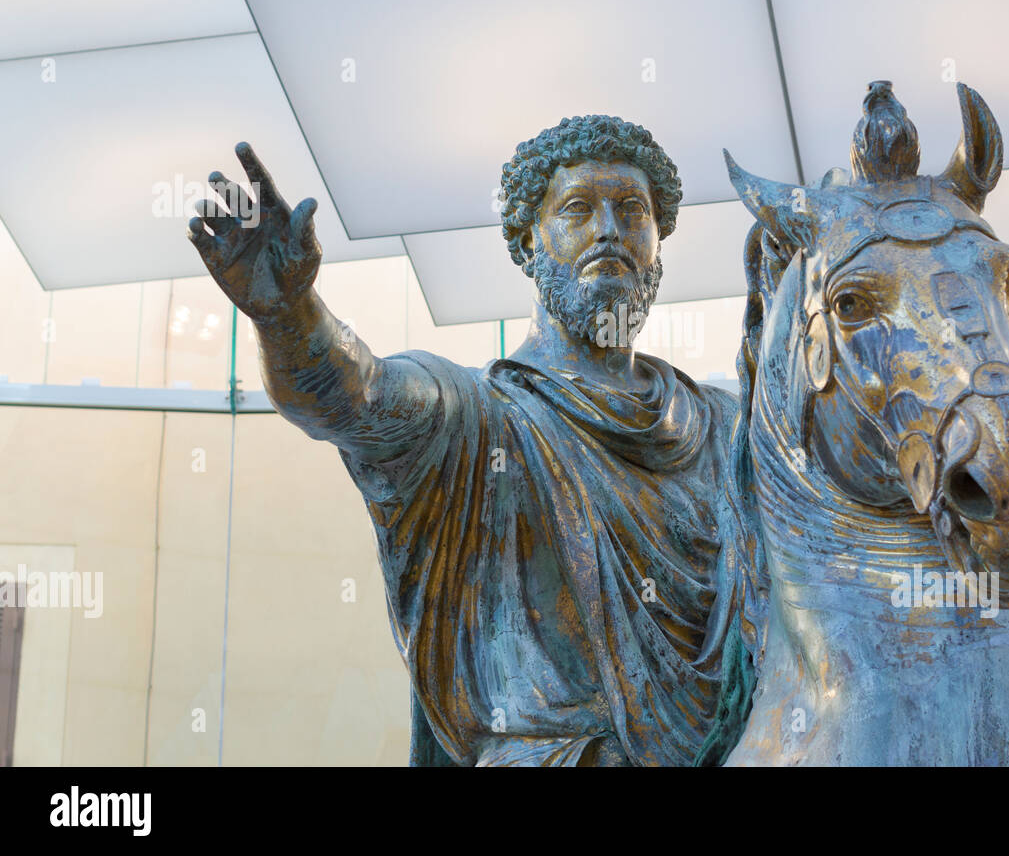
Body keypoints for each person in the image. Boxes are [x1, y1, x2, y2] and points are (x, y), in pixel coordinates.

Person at [186, 116, 765, 766]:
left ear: (659, 240)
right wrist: (287, 315)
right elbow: (356, 397)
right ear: (527, 240)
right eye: (578, 208)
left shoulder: (730, 429)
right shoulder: (475, 418)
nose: (608, 228)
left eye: (631, 209)